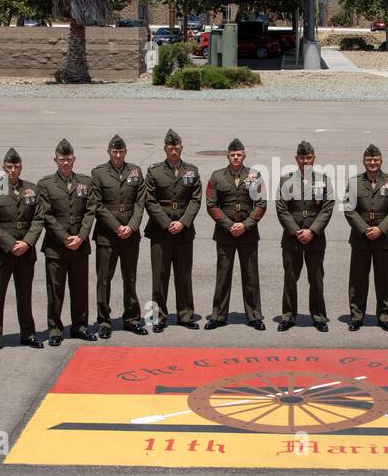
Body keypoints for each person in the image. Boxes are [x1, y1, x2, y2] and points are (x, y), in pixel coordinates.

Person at [0, 148, 44, 353]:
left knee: (25, 294)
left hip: (25, 250)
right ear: (3, 168)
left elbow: (38, 218)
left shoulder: (31, 189)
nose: (13, 171)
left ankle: (28, 333)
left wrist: (27, 243)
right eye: (9, 167)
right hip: (1, 252)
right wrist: (10, 244)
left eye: (16, 167)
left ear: (21, 167)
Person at [37, 138, 97, 346]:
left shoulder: (85, 182)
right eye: (62, 159)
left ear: (74, 159)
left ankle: (80, 325)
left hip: (80, 244)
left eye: (69, 159)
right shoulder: (45, 184)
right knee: (56, 290)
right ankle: (54, 328)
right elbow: (46, 215)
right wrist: (65, 237)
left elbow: (90, 211)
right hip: (56, 247)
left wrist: (81, 236)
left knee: (80, 288)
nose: (65, 163)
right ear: (56, 159)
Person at [205, 138, 266, 330]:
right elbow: (211, 204)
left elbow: (261, 204)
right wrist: (230, 225)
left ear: (244, 155)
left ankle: (254, 316)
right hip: (225, 234)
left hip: (248, 234)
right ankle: (218, 315)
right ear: (227, 156)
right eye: (232, 155)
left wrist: (245, 225)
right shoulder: (217, 176)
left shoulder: (255, 176)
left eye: (239, 155)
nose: (236, 158)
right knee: (223, 276)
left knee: (251, 277)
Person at [143, 128, 201, 331]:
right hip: (161, 231)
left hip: (184, 231)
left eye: (176, 148)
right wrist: (167, 223)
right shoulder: (154, 171)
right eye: (170, 148)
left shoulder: (191, 171)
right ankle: (158, 318)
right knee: (159, 276)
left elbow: (195, 200)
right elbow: (150, 200)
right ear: (165, 149)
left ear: (181, 148)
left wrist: (183, 222)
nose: (173, 151)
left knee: (184, 275)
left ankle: (185, 315)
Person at [91, 135, 148, 338]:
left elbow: (141, 202)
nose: (117, 155)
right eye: (114, 152)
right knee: (104, 279)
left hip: (130, 235)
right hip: (107, 235)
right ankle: (104, 321)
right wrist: (117, 227)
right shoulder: (98, 173)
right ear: (109, 152)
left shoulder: (135, 171)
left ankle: (132, 318)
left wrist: (131, 226)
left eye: (121, 152)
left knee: (130, 277)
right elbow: (97, 205)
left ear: (125, 153)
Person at [277, 140, 335, 332]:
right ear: (296, 159)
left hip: (315, 238)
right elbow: (281, 209)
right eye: (302, 158)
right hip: (292, 238)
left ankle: (318, 316)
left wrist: (312, 231)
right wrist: (296, 231)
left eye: (308, 157)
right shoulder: (286, 180)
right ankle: (288, 316)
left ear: (314, 159)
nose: (305, 161)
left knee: (316, 279)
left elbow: (327, 208)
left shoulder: (323, 180)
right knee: (290, 279)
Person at [344, 144, 388, 331]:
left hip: (383, 238)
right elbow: (349, 208)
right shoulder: (354, 182)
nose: (372, 163)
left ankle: (385, 316)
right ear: (363, 162)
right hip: (361, 238)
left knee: (385, 279)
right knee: (358, 280)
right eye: (369, 160)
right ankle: (356, 316)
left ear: (381, 161)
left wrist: (380, 229)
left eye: (376, 160)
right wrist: (364, 228)